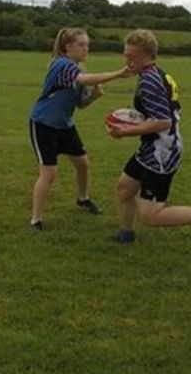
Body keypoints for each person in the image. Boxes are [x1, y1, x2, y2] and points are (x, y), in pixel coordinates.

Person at [106, 29, 191, 247]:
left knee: (150, 215)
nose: (127, 60)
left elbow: (162, 121)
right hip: (151, 145)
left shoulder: (149, 82)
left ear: (147, 55)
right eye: (126, 55)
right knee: (125, 187)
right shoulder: (157, 74)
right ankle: (126, 236)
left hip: (161, 151)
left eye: (131, 56)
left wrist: (124, 131)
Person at [29, 27, 132, 230]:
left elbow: (80, 104)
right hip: (43, 124)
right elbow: (84, 80)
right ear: (67, 47)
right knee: (49, 173)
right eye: (81, 44)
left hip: (64, 125)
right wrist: (118, 73)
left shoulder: (77, 68)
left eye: (87, 45)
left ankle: (82, 199)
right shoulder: (62, 64)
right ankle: (36, 220)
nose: (86, 49)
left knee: (83, 164)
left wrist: (94, 96)